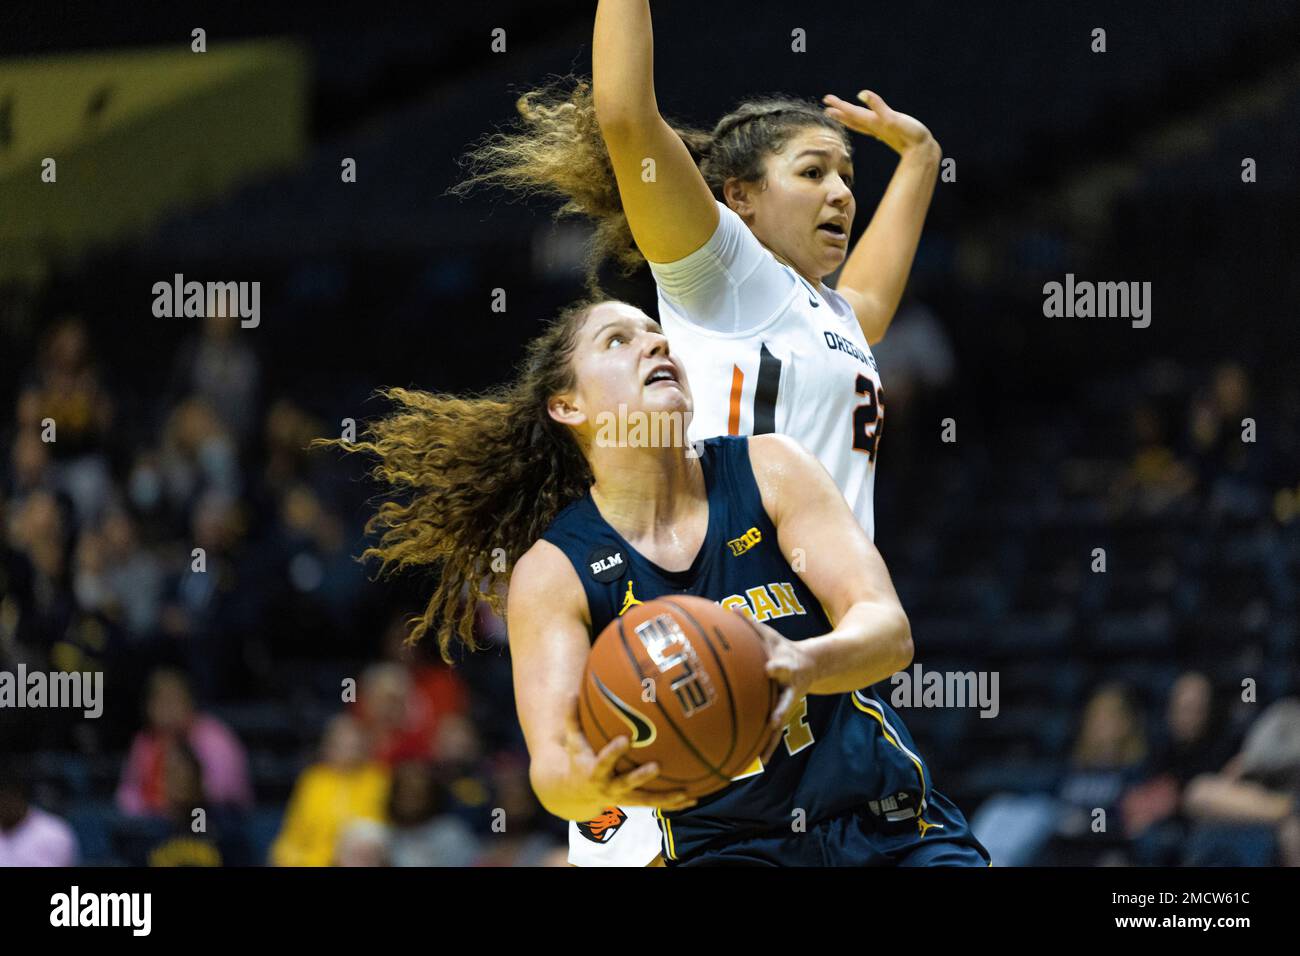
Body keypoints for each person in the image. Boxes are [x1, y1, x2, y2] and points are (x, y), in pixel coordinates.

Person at [453, 0, 944, 866]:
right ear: (739, 199)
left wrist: (921, 158)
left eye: (848, 178)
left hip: (796, 638)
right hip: (693, 632)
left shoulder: (823, 312)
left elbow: (869, 303)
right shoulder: (719, 273)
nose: (840, 192)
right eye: (813, 171)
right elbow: (627, 118)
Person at [328, 299, 988, 866]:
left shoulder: (770, 468)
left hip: (890, 824)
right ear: (568, 405)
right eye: (619, 340)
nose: (655, 342)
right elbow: (555, 771)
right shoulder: (555, 573)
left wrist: (801, 662)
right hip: (726, 851)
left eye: (656, 333)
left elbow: (888, 632)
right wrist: (593, 779)